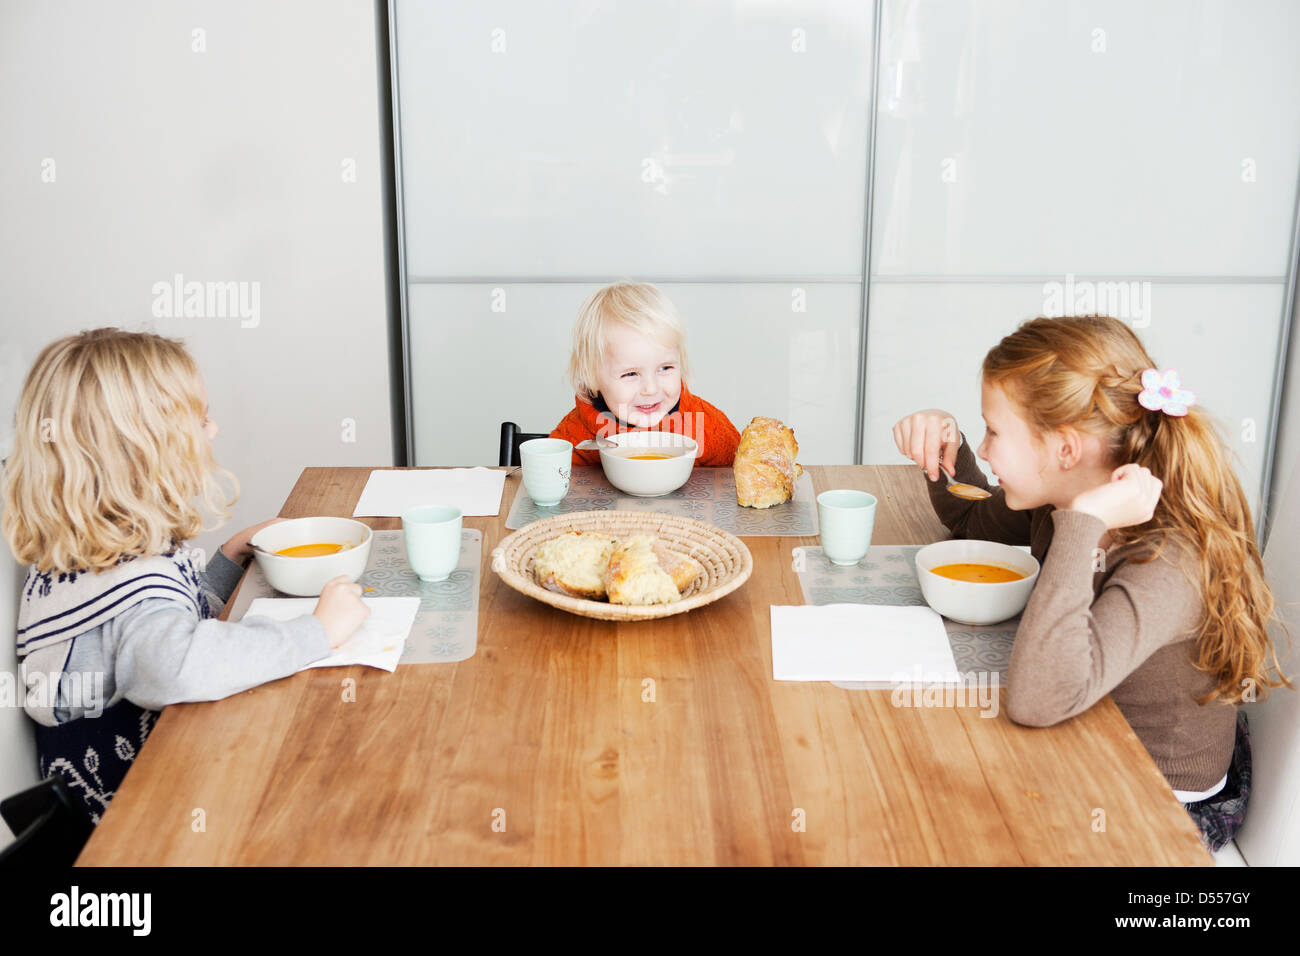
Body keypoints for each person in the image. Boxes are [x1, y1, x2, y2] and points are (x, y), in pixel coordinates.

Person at [893, 315, 1289, 851]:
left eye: (992, 431)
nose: (985, 451)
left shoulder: (1166, 558)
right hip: (1086, 731)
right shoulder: (1060, 497)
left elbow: (1038, 699)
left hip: (1157, 803)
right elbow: (972, 524)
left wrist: (1083, 525)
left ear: (1064, 450)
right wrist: (949, 446)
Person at [1, 328, 370, 825]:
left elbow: (169, 622)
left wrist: (227, 557)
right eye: (200, 421)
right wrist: (317, 632)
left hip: (161, 769)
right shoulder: (131, 590)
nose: (213, 430)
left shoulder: (84, 552)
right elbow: (179, 665)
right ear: (145, 452)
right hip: (145, 818)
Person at [549, 282, 741, 466]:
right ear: (592, 377)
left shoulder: (708, 428)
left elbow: (741, 473)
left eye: (665, 368)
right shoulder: (576, 436)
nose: (651, 389)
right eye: (631, 374)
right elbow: (550, 476)